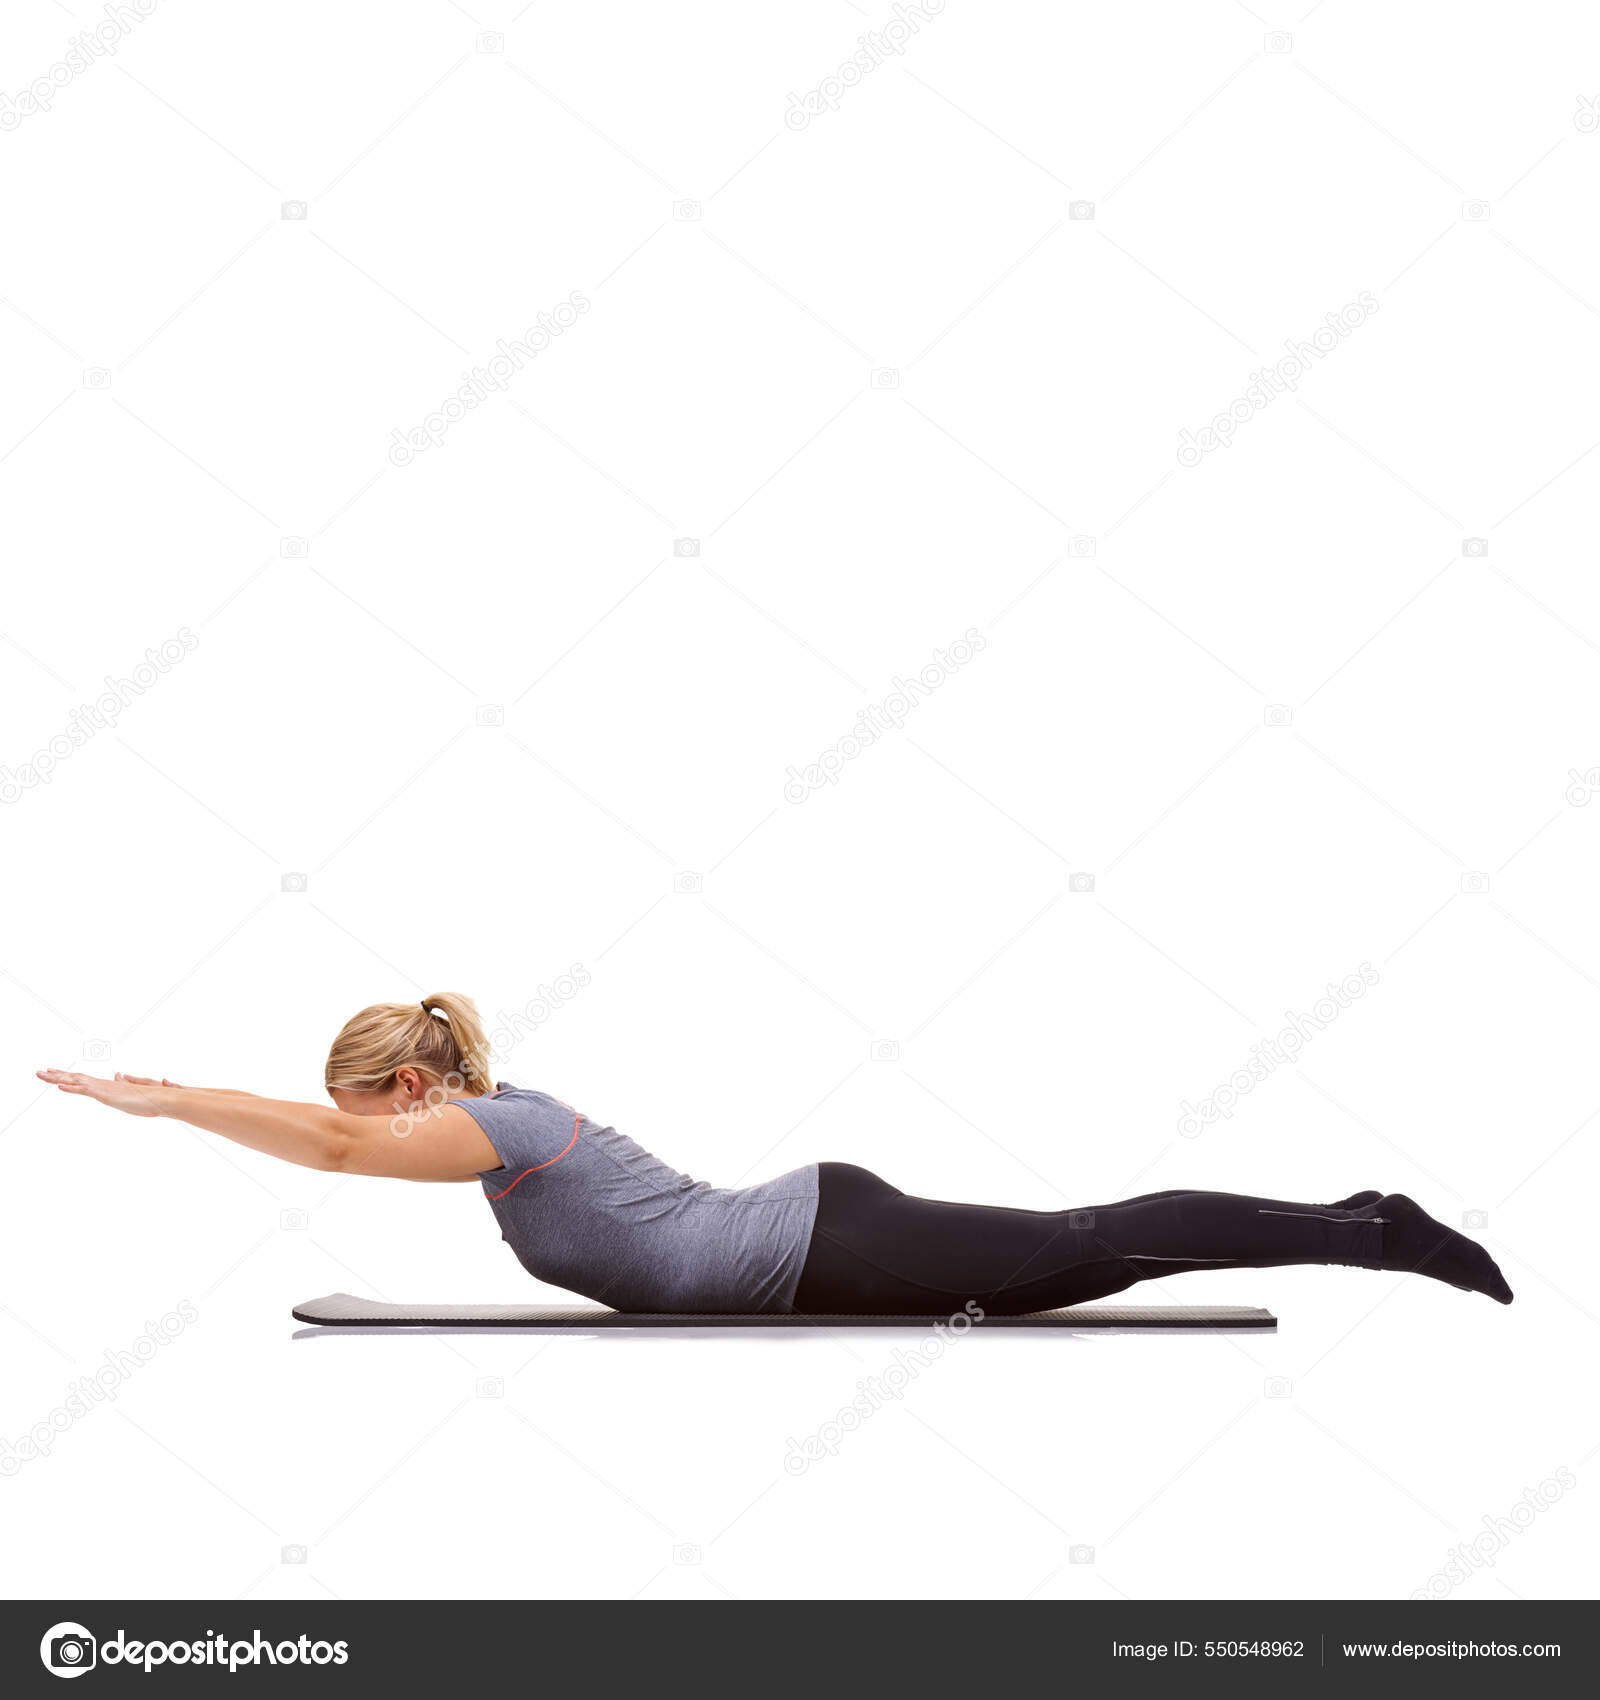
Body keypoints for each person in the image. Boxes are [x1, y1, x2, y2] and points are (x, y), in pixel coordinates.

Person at [37, 992, 1513, 1315]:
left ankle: (1364, 1226)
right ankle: (1348, 1224)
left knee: (1082, 1237)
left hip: (820, 1241)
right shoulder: (491, 1138)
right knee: (1090, 1267)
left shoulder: (488, 1122)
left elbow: (339, 1159)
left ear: (408, 1083)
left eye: (364, 1104)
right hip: (814, 1252)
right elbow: (342, 1147)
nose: (364, 1130)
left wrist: (173, 1106)